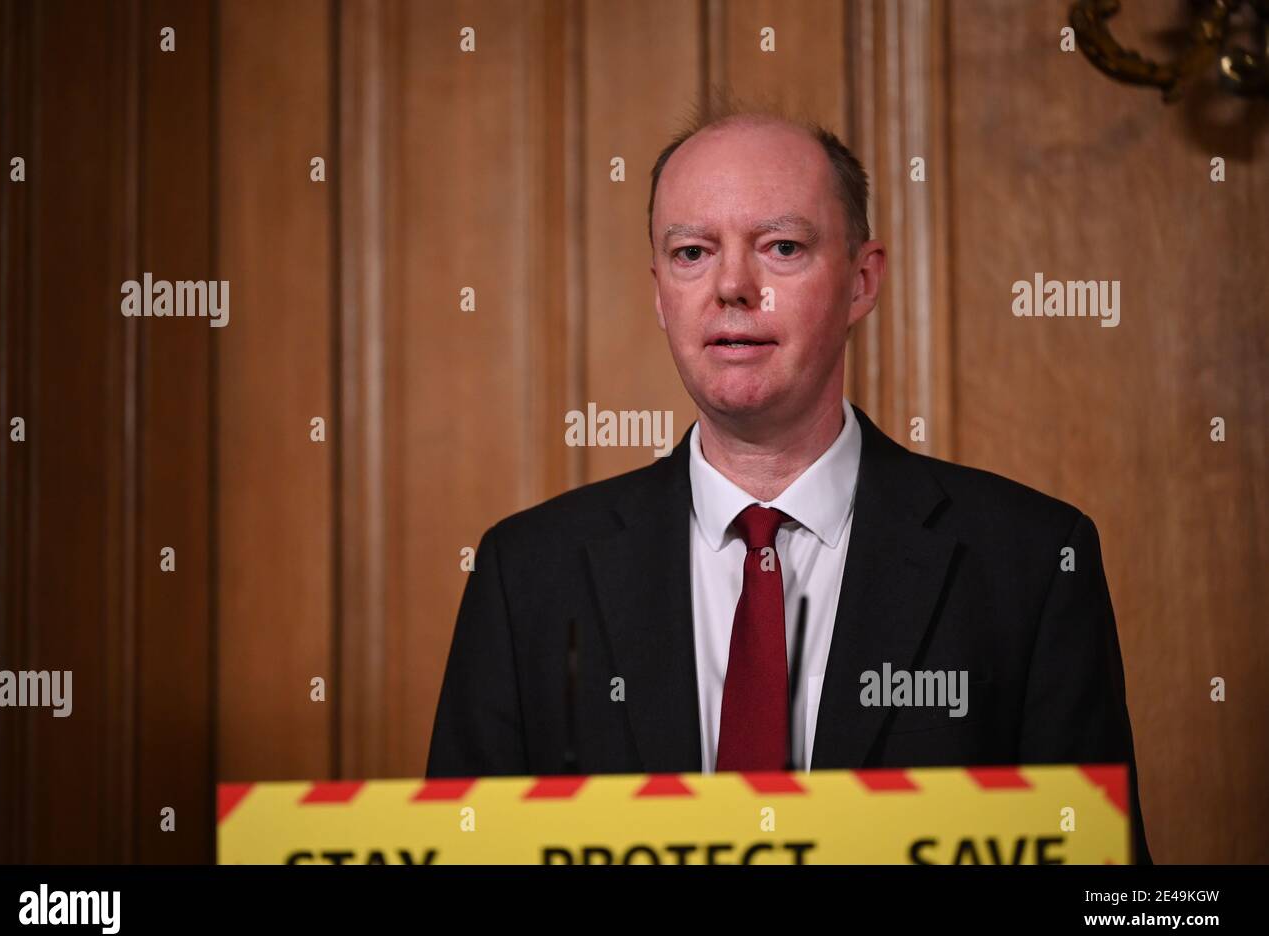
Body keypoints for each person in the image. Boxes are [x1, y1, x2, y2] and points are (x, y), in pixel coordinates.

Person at [427, 101, 1151, 864]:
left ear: (862, 281)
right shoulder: (526, 574)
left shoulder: (1033, 565)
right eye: (692, 253)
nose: (734, 287)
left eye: (780, 247)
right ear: (658, 294)